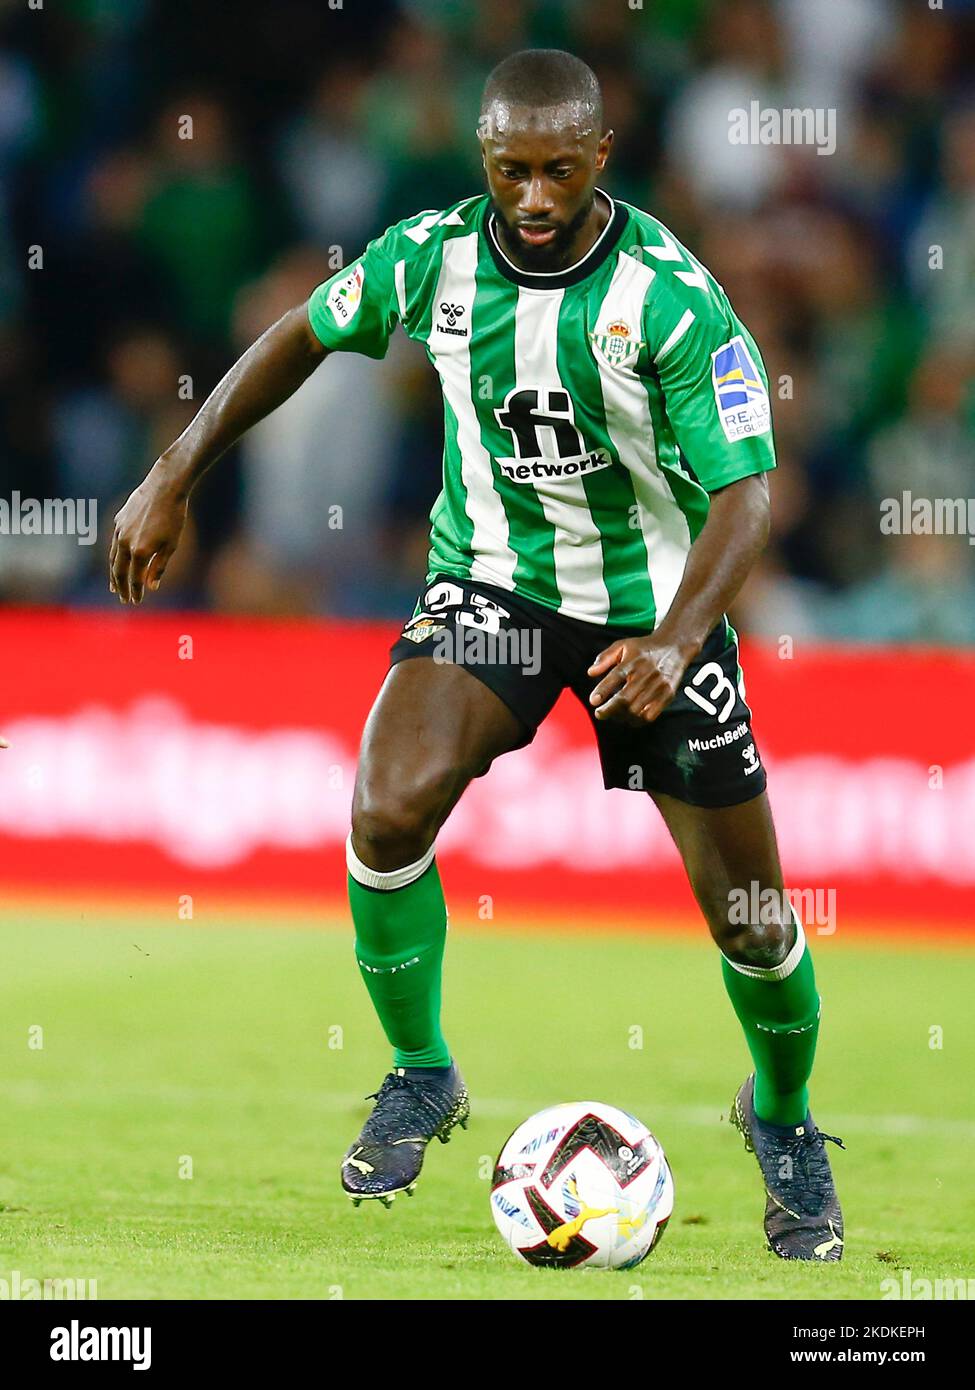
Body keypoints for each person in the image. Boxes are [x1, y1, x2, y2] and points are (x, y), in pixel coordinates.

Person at [110, 50, 844, 1261]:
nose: (539, 197)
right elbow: (301, 331)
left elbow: (747, 499)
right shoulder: (430, 255)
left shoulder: (669, 296)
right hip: (493, 585)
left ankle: (786, 1123)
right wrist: (171, 471)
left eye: (562, 170)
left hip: (654, 613)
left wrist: (672, 640)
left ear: (602, 157)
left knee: (754, 916)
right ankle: (420, 1071)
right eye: (514, 171)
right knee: (386, 808)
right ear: (485, 161)